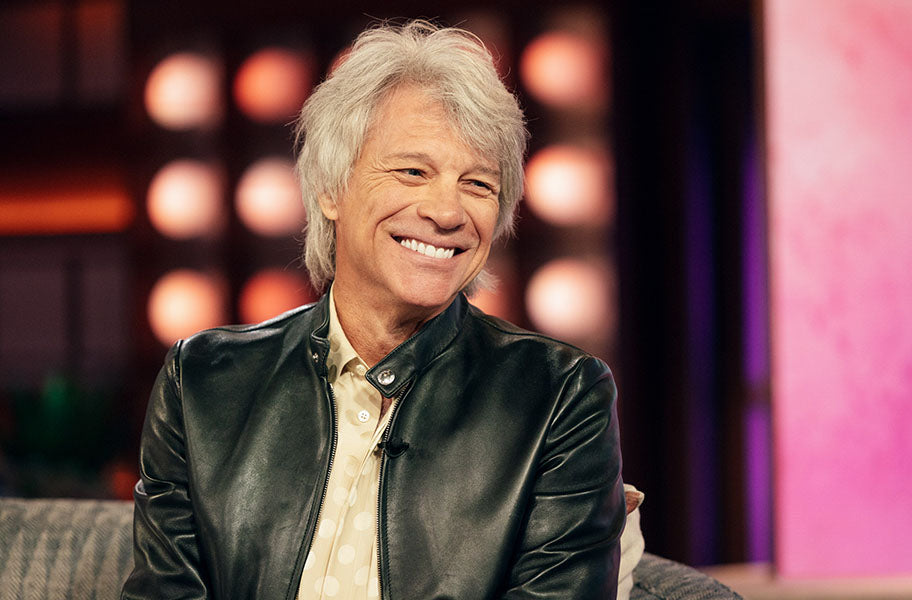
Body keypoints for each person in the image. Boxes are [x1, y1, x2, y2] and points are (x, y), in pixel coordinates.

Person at [122, 20, 625, 600]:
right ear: (331, 189)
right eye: (413, 172)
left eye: (478, 184)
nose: (447, 212)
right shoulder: (202, 383)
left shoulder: (561, 397)